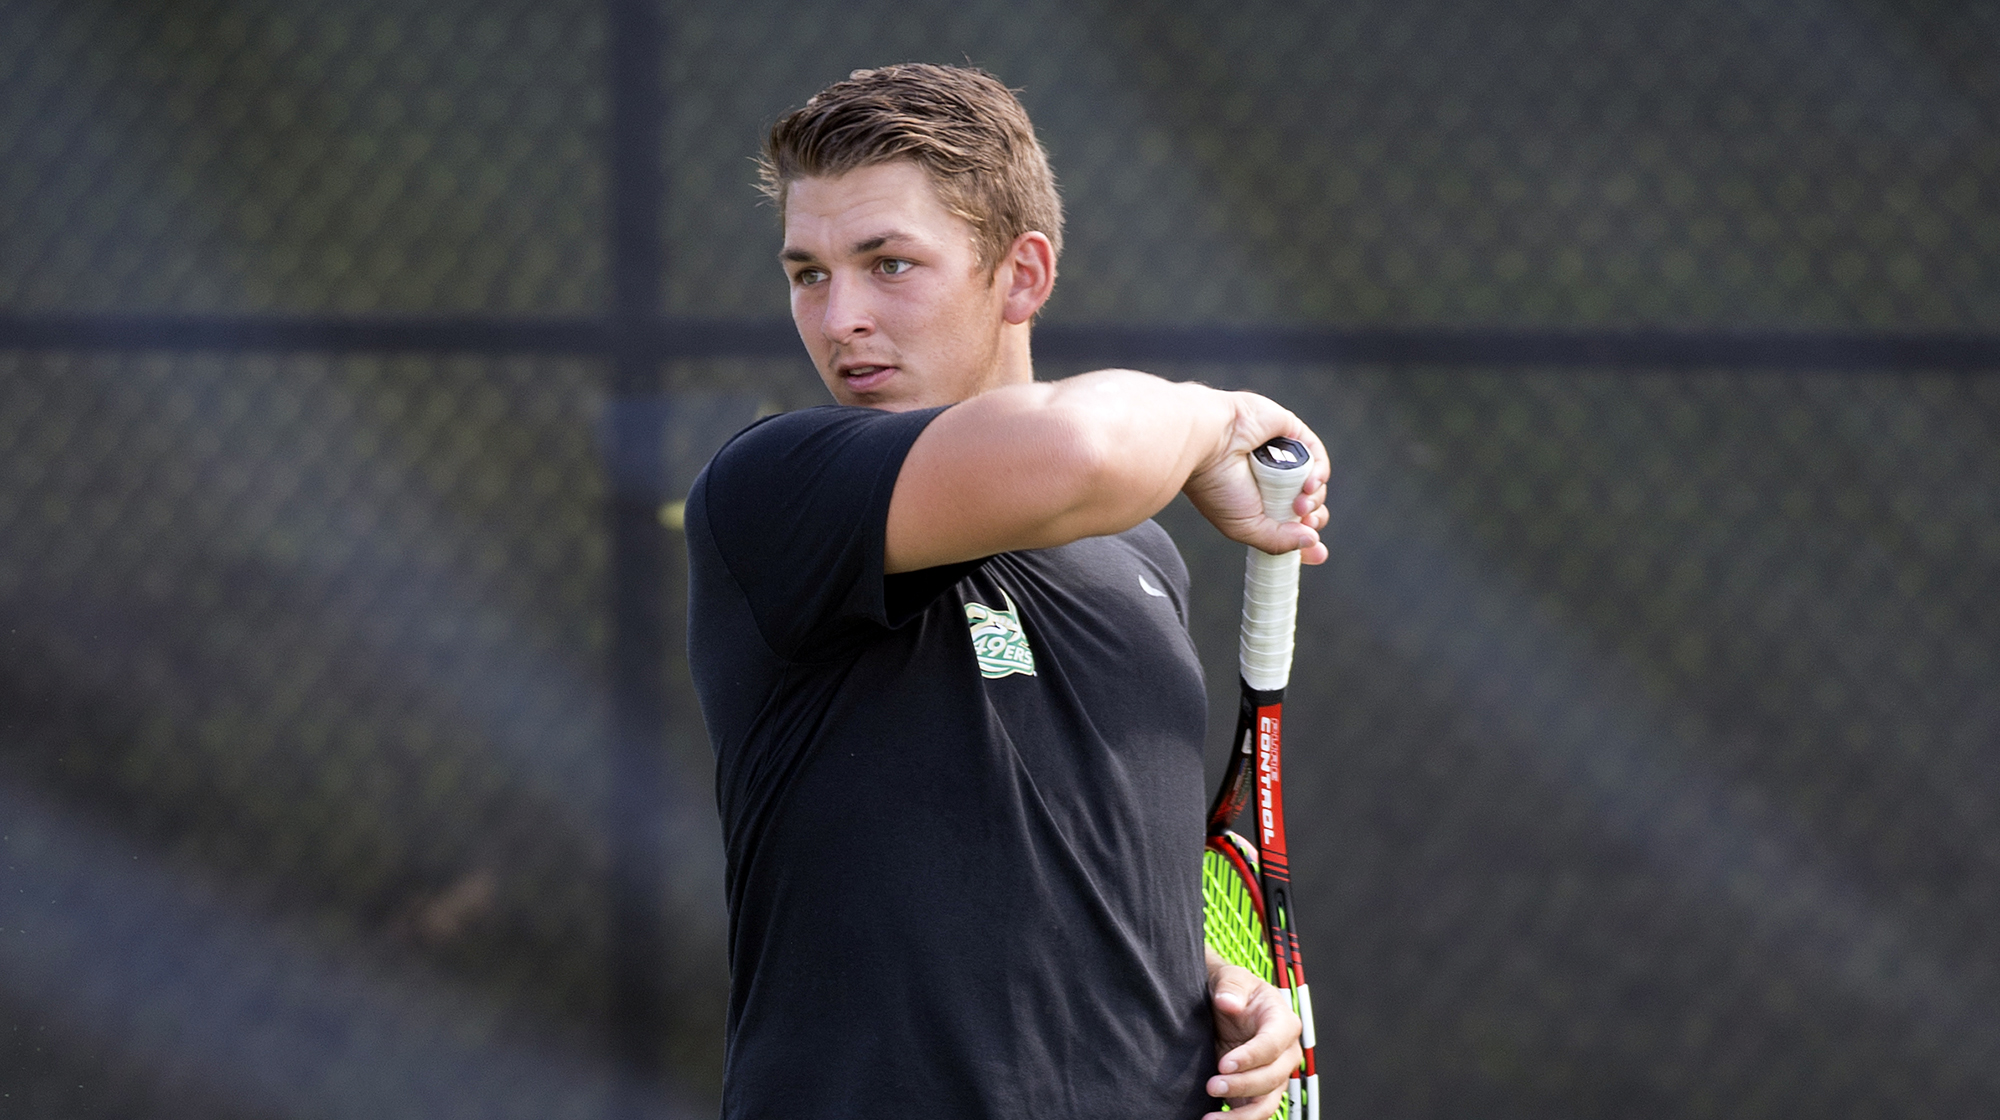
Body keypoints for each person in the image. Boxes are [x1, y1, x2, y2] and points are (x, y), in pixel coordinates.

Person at [685, 63, 1330, 1119]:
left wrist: (1202, 996)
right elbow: (1077, 446)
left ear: (1020, 276)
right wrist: (1217, 418)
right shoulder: (772, 490)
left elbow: (1079, 890)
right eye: (806, 273)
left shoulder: (1139, 560)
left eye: (888, 263)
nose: (839, 315)